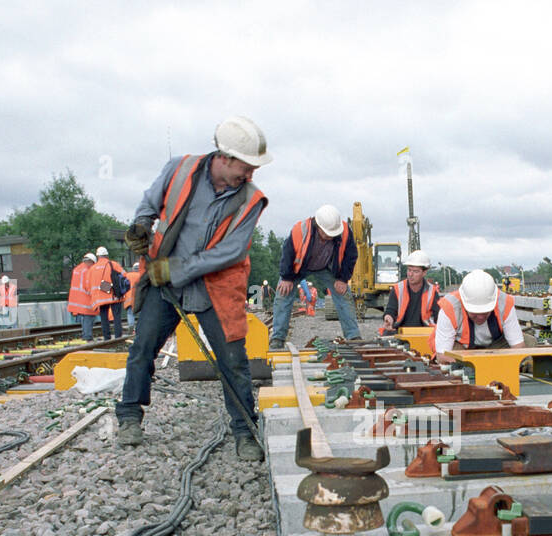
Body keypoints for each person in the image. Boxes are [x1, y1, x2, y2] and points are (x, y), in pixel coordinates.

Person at [117, 115, 270, 459]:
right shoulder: (179, 169)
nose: (250, 175)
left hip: (214, 286)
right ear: (225, 157)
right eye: (246, 167)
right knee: (143, 348)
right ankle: (129, 416)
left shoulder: (251, 200)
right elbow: (148, 204)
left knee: (234, 361)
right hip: (162, 279)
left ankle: (245, 432)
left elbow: (230, 252)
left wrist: (177, 269)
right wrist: (141, 226)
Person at [268, 204, 359, 348]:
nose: (331, 236)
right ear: (318, 226)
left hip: (326, 268)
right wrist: (286, 278)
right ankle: (278, 338)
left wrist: (343, 279)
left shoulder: (345, 232)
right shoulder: (300, 230)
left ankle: (353, 337)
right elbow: (287, 252)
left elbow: (351, 255)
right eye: (327, 233)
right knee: (283, 293)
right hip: (300, 268)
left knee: (344, 294)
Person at [432, 270, 526, 363]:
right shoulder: (450, 307)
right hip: (461, 349)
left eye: (485, 312)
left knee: (529, 343)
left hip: (494, 347)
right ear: (464, 303)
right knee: (452, 356)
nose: (480, 317)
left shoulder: (504, 303)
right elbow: (442, 356)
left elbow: (518, 347)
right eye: (475, 313)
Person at [380, 249, 439, 335]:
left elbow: (439, 317)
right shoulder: (398, 289)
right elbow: (390, 311)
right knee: (386, 335)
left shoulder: (432, 291)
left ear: (424, 272)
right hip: (400, 331)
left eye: (415, 271)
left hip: (424, 332)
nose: (410, 274)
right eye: (409, 270)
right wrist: (388, 319)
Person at [88, 247, 124, 340]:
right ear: (106, 255)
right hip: (114, 296)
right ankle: (118, 337)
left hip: (100, 298)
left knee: (104, 318)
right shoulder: (113, 264)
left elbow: (88, 284)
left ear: (98, 256)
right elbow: (124, 276)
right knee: (117, 318)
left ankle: (107, 338)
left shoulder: (92, 268)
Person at [68, 252, 98, 339]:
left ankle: (86, 335)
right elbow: (90, 286)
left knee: (85, 319)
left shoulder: (77, 269)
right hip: (86, 300)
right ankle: (87, 336)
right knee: (89, 317)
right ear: (92, 262)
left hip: (76, 300)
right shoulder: (88, 270)